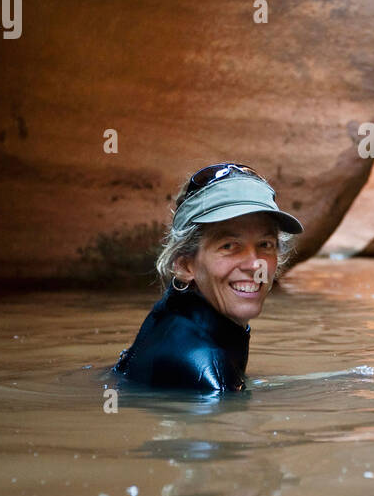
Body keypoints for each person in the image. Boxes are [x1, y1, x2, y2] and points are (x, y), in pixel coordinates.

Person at [113, 163, 304, 392]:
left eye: (265, 245)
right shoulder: (209, 372)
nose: (255, 265)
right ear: (185, 265)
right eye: (229, 246)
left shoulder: (174, 318)